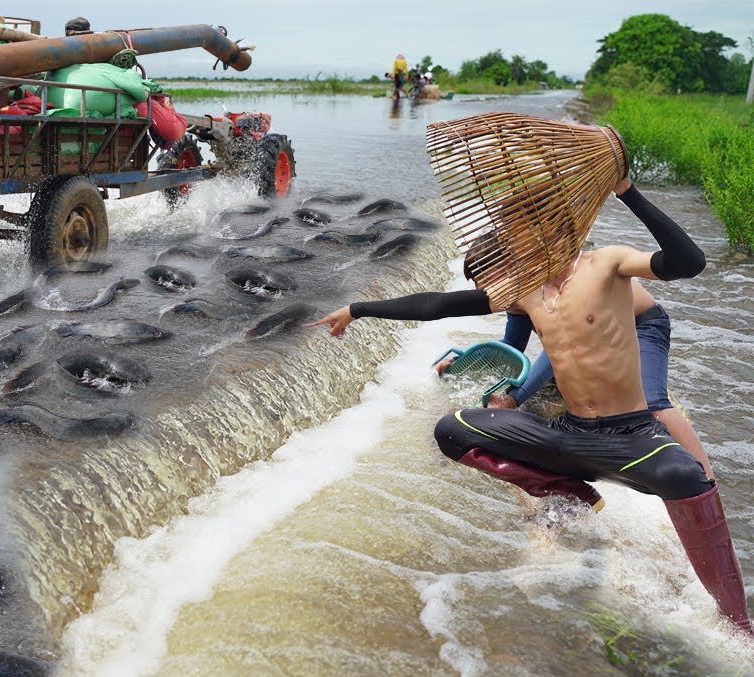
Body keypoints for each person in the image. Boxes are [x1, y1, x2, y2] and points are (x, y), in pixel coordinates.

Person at [309, 177, 753, 636]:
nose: (506, 235)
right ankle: (570, 491)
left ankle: (735, 621)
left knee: (683, 475)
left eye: (513, 227)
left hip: (630, 436)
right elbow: (439, 305)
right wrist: (359, 309)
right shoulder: (525, 292)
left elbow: (689, 261)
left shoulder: (607, 264)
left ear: (550, 228)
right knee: (454, 430)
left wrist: (627, 192)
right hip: (570, 432)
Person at [435, 280, 714, 481]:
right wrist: (461, 364)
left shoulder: (539, 284)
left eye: (486, 283)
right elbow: (511, 345)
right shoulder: (513, 296)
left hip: (640, 323)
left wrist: (513, 399)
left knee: (653, 404)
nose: (487, 295)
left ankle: (706, 483)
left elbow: (553, 352)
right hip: (597, 335)